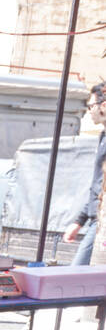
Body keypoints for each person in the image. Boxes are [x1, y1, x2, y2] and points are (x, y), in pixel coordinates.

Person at [63, 82, 106, 266]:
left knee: (76, 273)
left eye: (91, 106)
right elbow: (97, 184)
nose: (89, 111)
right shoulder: (103, 136)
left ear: (103, 106)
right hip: (95, 218)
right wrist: (80, 220)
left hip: (101, 221)